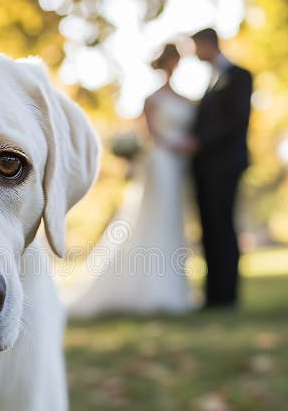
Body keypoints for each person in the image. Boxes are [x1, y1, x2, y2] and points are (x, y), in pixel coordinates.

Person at [66, 44, 196, 317]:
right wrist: (177, 146)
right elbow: (151, 134)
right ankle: (153, 291)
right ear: (167, 62)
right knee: (154, 219)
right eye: (175, 60)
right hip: (161, 161)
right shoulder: (152, 99)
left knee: (173, 221)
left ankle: (174, 289)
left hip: (180, 166)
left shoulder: (187, 99)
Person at [184, 28, 252, 309]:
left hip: (225, 166)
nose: (194, 54)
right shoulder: (209, 82)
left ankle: (228, 294)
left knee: (223, 226)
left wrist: (199, 142)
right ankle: (213, 295)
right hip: (203, 169)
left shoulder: (239, 76)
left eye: (196, 47)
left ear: (208, 44)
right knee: (209, 230)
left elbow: (236, 122)